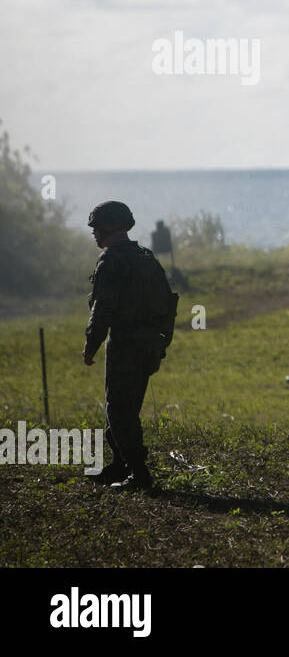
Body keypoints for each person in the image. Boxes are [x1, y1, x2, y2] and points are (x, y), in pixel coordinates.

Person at [83, 201, 178, 491]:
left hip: (126, 343)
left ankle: (139, 473)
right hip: (148, 343)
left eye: (97, 228)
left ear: (110, 228)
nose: (94, 234)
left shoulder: (111, 260)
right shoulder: (146, 257)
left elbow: (103, 309)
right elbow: (168, 304)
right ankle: (120, 464)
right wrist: (161, 344)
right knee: (126, 406)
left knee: (119, 410)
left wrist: (91, 344)